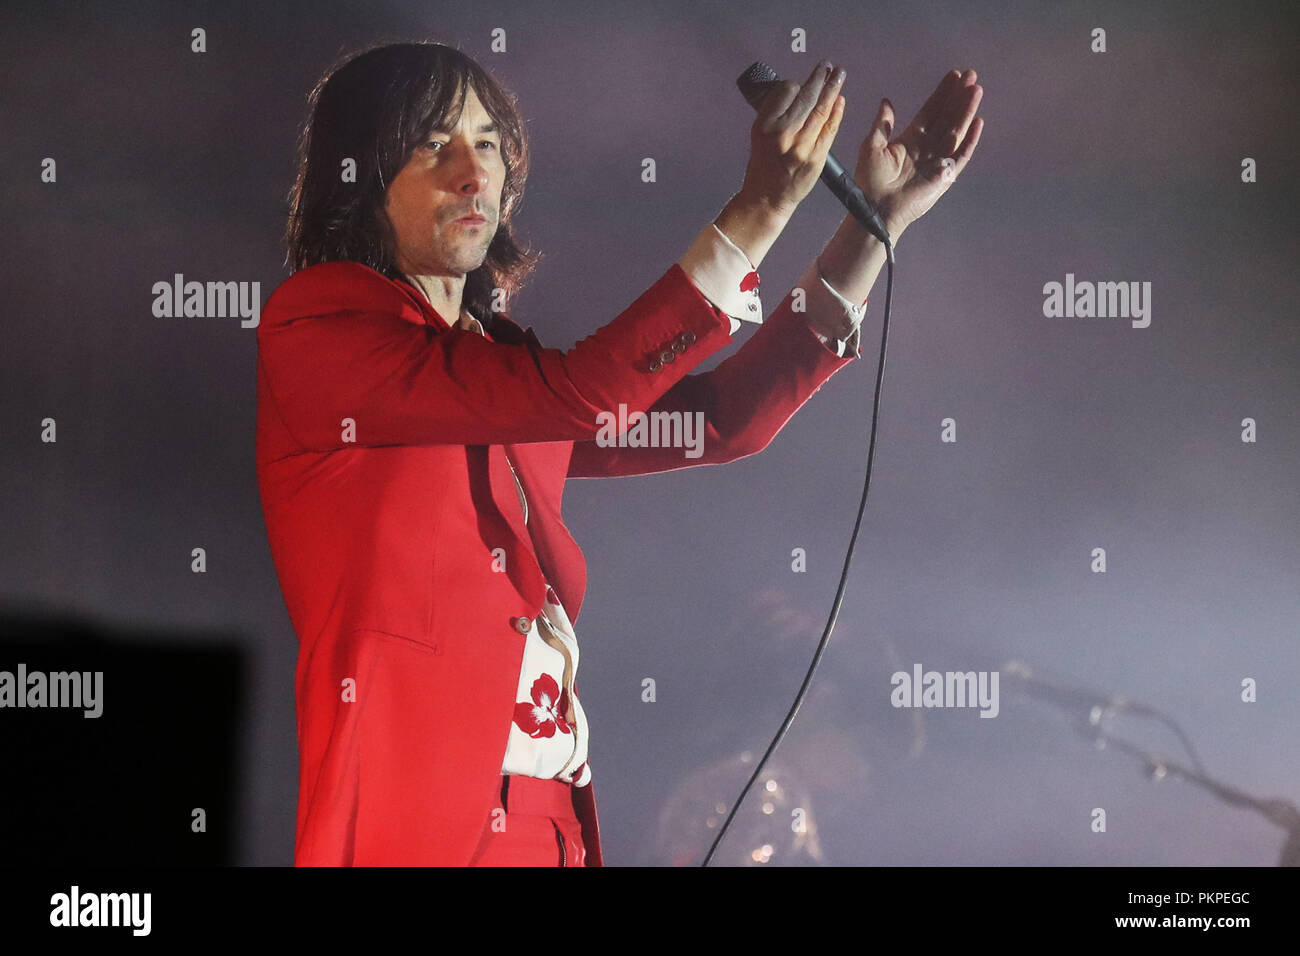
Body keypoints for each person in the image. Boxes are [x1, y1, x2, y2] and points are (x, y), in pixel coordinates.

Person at [257, 40, 983, 866]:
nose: (473, 172)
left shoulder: (499, 367)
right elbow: (587, 390)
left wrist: (870, 228)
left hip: (550, 824)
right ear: (359, 172)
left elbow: (717, 420)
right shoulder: (317, 329)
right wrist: (760, 208)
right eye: (432, 143)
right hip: (416, 824)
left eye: (488, 142)